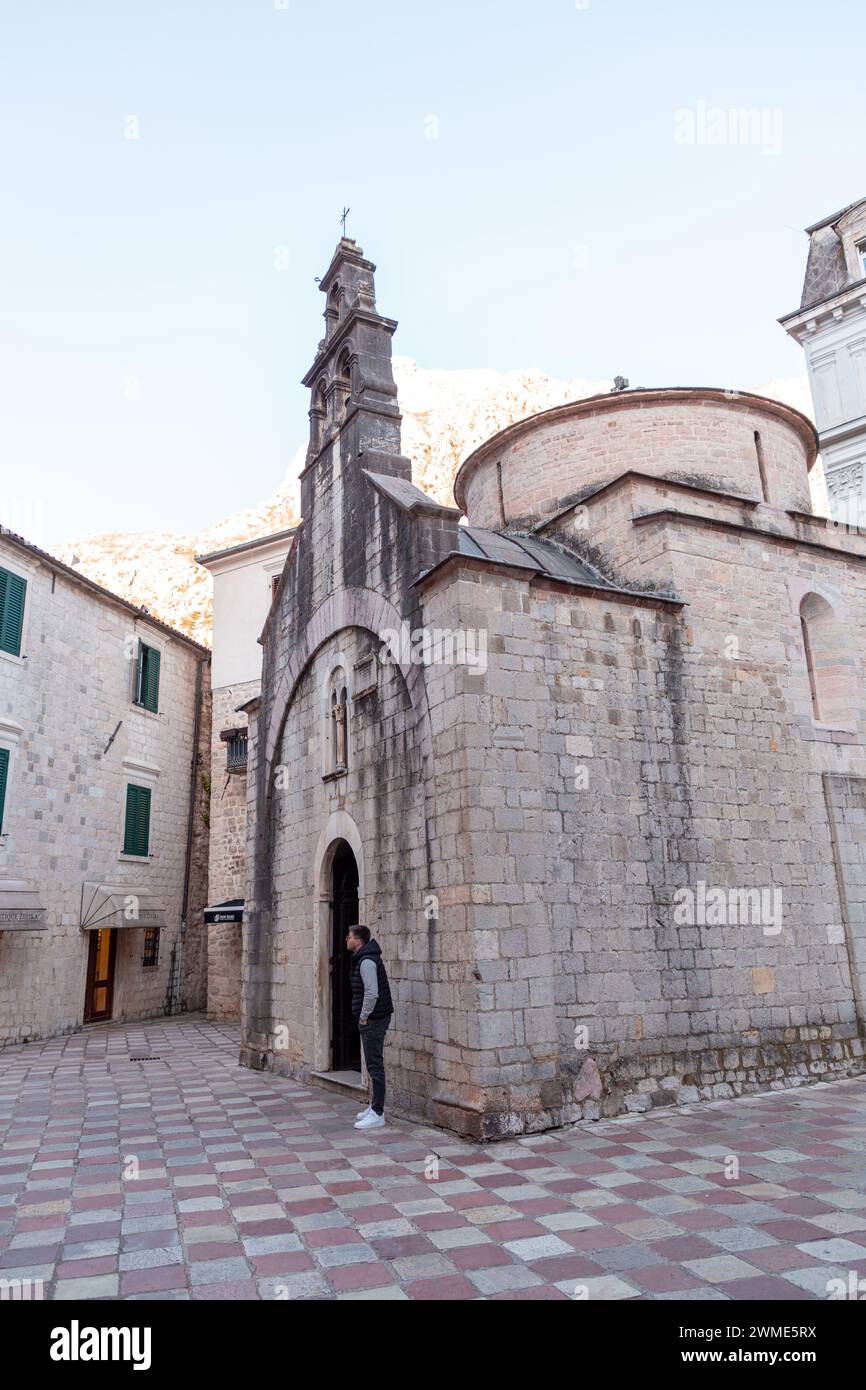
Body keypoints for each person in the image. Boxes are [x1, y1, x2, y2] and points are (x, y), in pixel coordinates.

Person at [347, 925, 393, 1129]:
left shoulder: (366, 961)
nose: (346, 939)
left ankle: (378, 1113)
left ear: (358, 941)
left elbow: (372, 993)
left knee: (375, 1066)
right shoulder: (366, 958)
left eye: (349, 936)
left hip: (374, 1019)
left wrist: (364, 1017)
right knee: (372, 1065)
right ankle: (374, 1106)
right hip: (374, 1018)